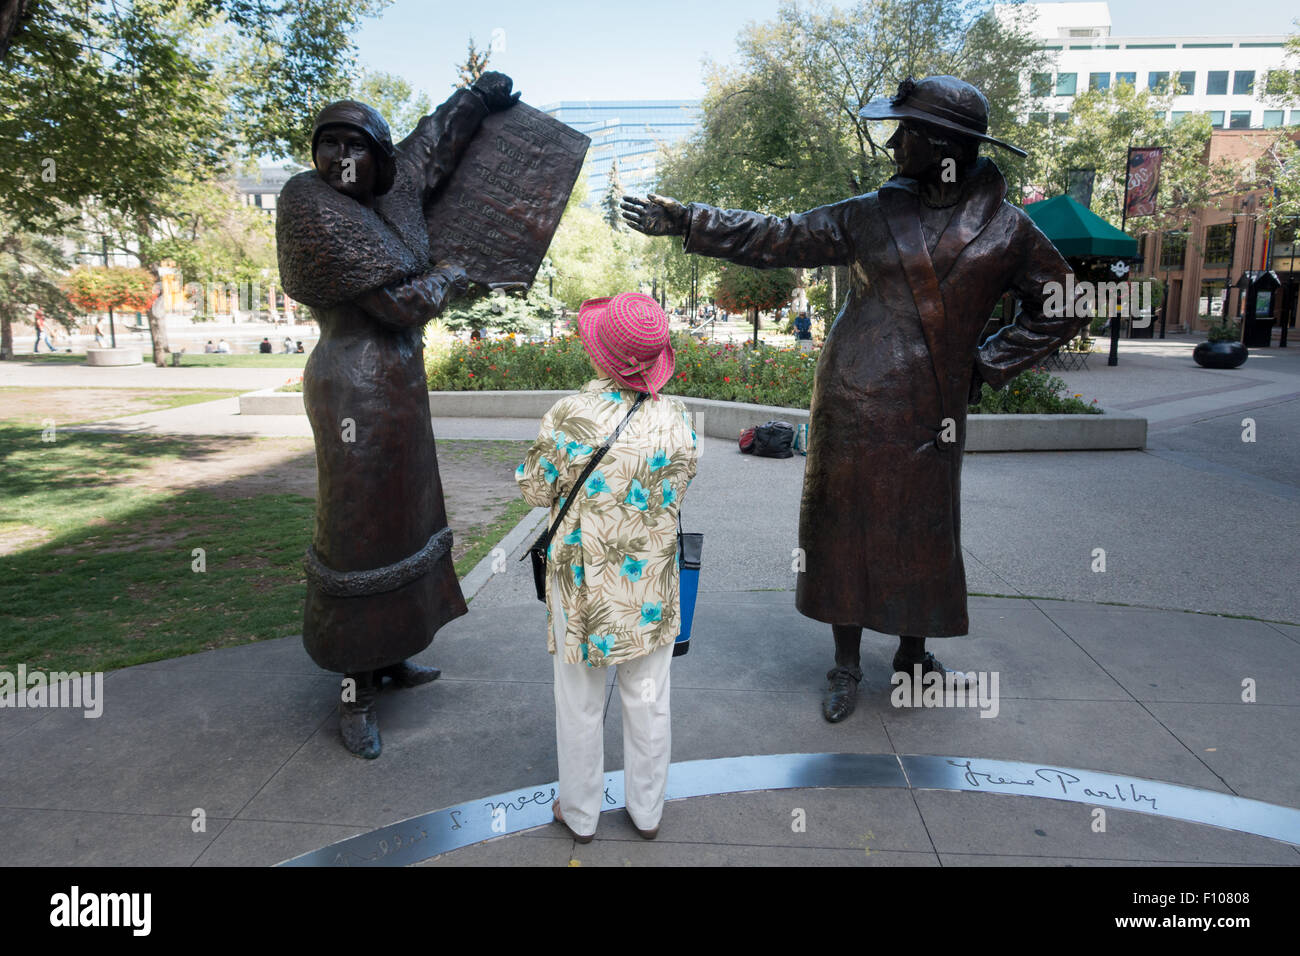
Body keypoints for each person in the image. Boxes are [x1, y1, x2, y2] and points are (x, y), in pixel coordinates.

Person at [624, 75, 1082, 723]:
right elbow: (779, 238)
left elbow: (1067, 304)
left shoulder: (1008, 231)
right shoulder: (875, 213)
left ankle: (913, 656)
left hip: (932, 409)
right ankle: (844, 662)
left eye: (907, 132)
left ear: (946, 144)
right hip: (851, 397)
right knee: (843, 526)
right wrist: (689, 221)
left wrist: (986, 364)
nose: (893, 143)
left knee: (923, 528)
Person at [276, 73, 519, 759]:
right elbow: (400, 306)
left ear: (378, 158)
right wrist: (448, 275)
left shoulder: (394, 190)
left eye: (357, 147)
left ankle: (393, 653)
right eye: (330, 146)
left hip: (402, 387)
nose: (342, 160)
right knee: (359, 531)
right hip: (354, 385)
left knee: (407, 517)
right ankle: (355, 688)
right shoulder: (309, 203)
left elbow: (436, 139)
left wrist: (480, 95)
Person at [516, 292, 698, 842]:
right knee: (649, 699)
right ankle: (647, 811)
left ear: (601, 354)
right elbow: (682, 480)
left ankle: (580, 813)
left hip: (584, 588)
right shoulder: (676, 416)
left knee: (579, 703)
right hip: (652, 586)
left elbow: (533, 488)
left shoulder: (572, 415)